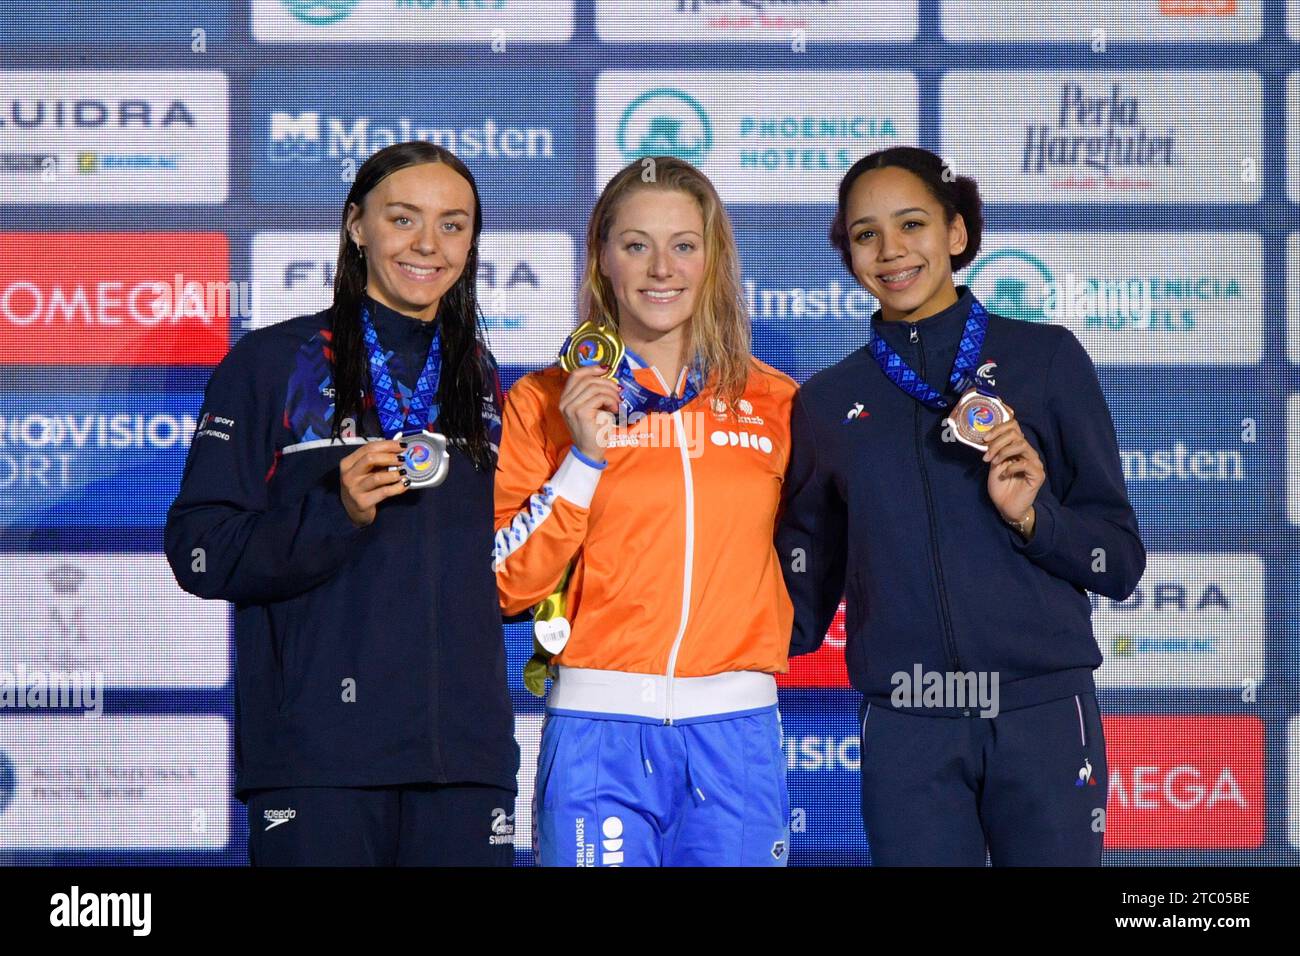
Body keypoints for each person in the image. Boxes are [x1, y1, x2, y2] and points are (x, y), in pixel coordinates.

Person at [776, 145, 1145, 866]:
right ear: (847, 253)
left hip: (1041, 716)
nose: (890, 251)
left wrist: (1036, 519)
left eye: (912, 224)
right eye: (865, 234)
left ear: (955, 233)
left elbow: (1119, 561)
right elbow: (795, 605)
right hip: (909, 727)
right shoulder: (824, 404)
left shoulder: (1046, 360)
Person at [164, 141, 518, 866]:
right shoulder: (272, 363)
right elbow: (197, 548)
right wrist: (336, 514)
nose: (428, 244)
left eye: (453, 224)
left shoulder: (480, 377)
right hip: (321, 763)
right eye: (403, 219)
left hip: (465, 765)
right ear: (357, 225)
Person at [493, 156, 796, 867]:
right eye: (636, 244)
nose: (662, 268)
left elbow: (814, 550)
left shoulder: (775, 401)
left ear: (712, 258)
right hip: (600, 728)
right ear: (602, 257)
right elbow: (507, 580)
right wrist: (584, 459)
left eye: (683, 245)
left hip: (735, 728)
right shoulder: (544, 401)